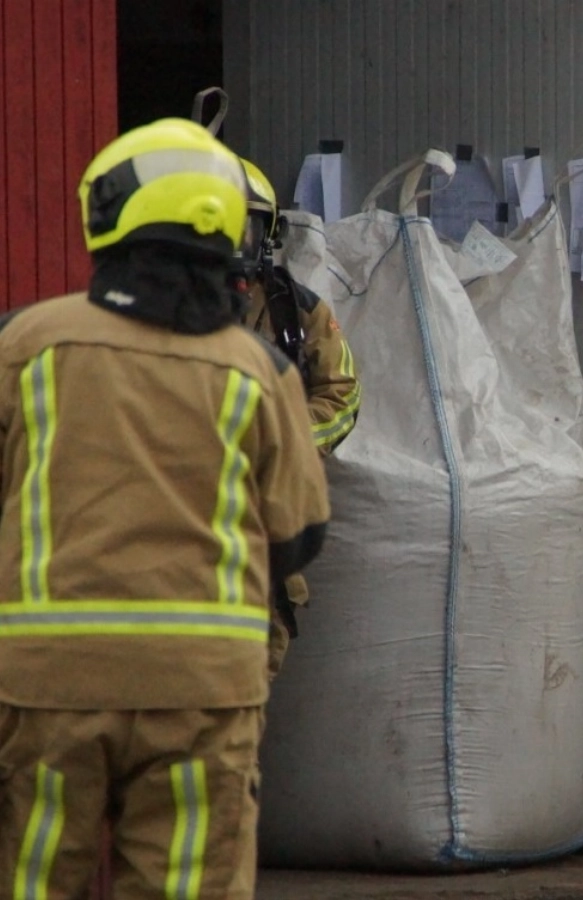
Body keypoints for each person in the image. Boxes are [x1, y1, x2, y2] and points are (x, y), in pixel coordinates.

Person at [0, 118, 330, 899]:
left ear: (109, 214)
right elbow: (302, 533)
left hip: (49, 685)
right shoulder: (259, 368)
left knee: (37, 878)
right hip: (203, 688)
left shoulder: (25, 343)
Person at [237, 157, 360, 677]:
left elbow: (342, 395)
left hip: (263, 537)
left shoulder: (296, 310)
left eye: (242, 226)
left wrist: (284, 443)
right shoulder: (150, 311)